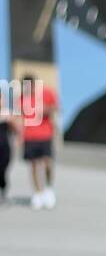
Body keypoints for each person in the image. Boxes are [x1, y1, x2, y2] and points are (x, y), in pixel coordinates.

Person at [19, 73, 60, 209]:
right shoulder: (22, 98)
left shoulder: (46, 93)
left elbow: (57, 108)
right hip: (30, 136)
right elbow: (19, 117)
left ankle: (48, 189)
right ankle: (37, 193)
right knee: (34, 164)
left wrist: (46, 109)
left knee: (47, 162)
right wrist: (19, 137)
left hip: (45, 134)